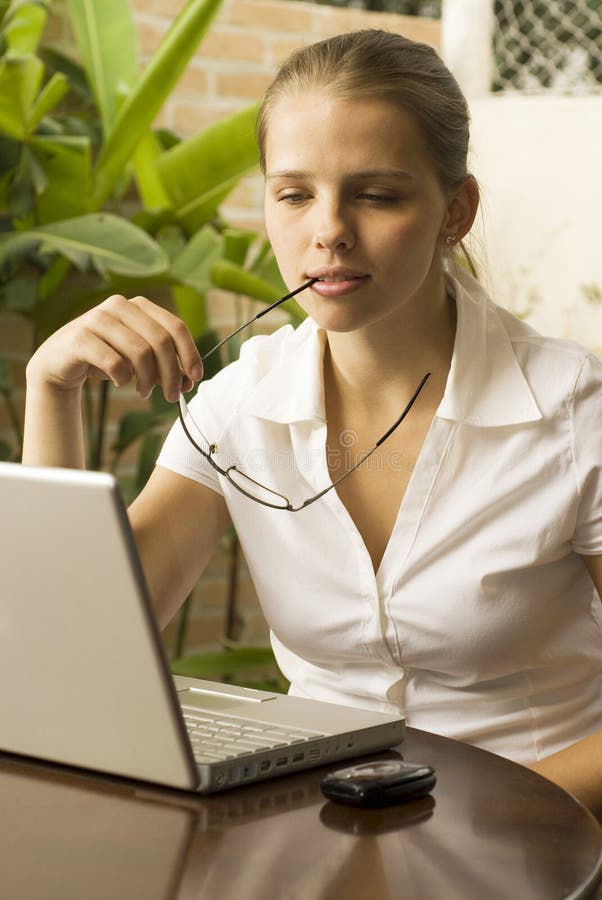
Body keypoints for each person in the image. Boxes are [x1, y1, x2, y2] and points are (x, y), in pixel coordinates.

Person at [22, 30, 602, 817]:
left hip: (541, 842)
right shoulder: (238, 406)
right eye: (294, 194)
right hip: (319, 840)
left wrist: (497, 823)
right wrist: (49, 389)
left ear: (454, 211)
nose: (327, 230)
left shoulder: (574, 411)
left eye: (377, 194)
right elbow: (77, 647)